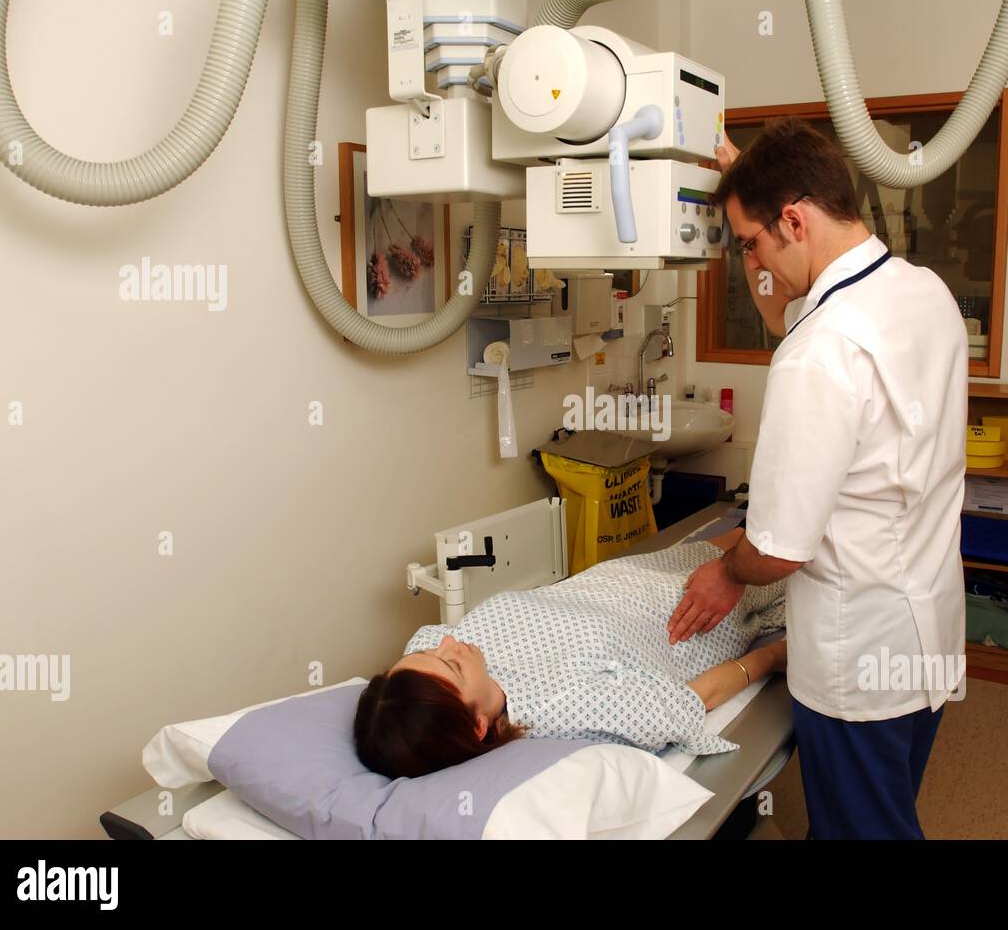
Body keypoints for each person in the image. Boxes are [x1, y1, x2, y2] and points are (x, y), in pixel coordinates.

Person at [668, 117, 968, 839]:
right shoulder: (923, 293)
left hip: (857, 655)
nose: (752, 262)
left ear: (794, 219)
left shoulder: (819, 351)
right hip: (926, 632)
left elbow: (777, 551)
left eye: (750, 243)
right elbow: (792, 312)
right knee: (871, 812)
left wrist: (727, 574)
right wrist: (753, 196)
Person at [354, 528, 788, 780]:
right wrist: (773, 658)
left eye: (435, 650)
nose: (448, 641)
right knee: (796, 554)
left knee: (746, 535)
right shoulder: (562, 707)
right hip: (696, 609)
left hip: (625, 578)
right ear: (479, 723)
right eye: (450, 663)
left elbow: (412, 683)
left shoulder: (425, 671)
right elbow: (687, 703)